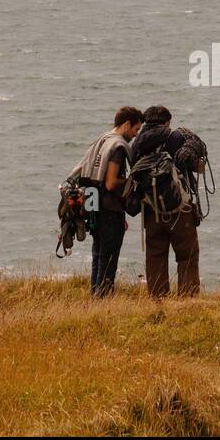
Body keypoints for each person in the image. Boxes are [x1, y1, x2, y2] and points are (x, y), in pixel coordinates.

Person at [130, 105, 206, 298]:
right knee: (187, 254)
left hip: (150, 209)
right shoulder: (175, 138)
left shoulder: (137, 144)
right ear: (167, 122)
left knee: (155, 256)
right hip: (179, 209)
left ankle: (158, 300)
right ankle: (187, 300)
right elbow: (198, 167)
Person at [71, 106, 142, 297]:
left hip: (92, 205)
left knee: (98, 256)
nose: (135, 135)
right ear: (127, 124)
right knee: (109, 259)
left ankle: (95, 296)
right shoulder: (118, 146)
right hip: (109, 209)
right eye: (136, 129)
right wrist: (133, 182)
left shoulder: (102, 140)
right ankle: (103, 299)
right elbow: (111, 183)